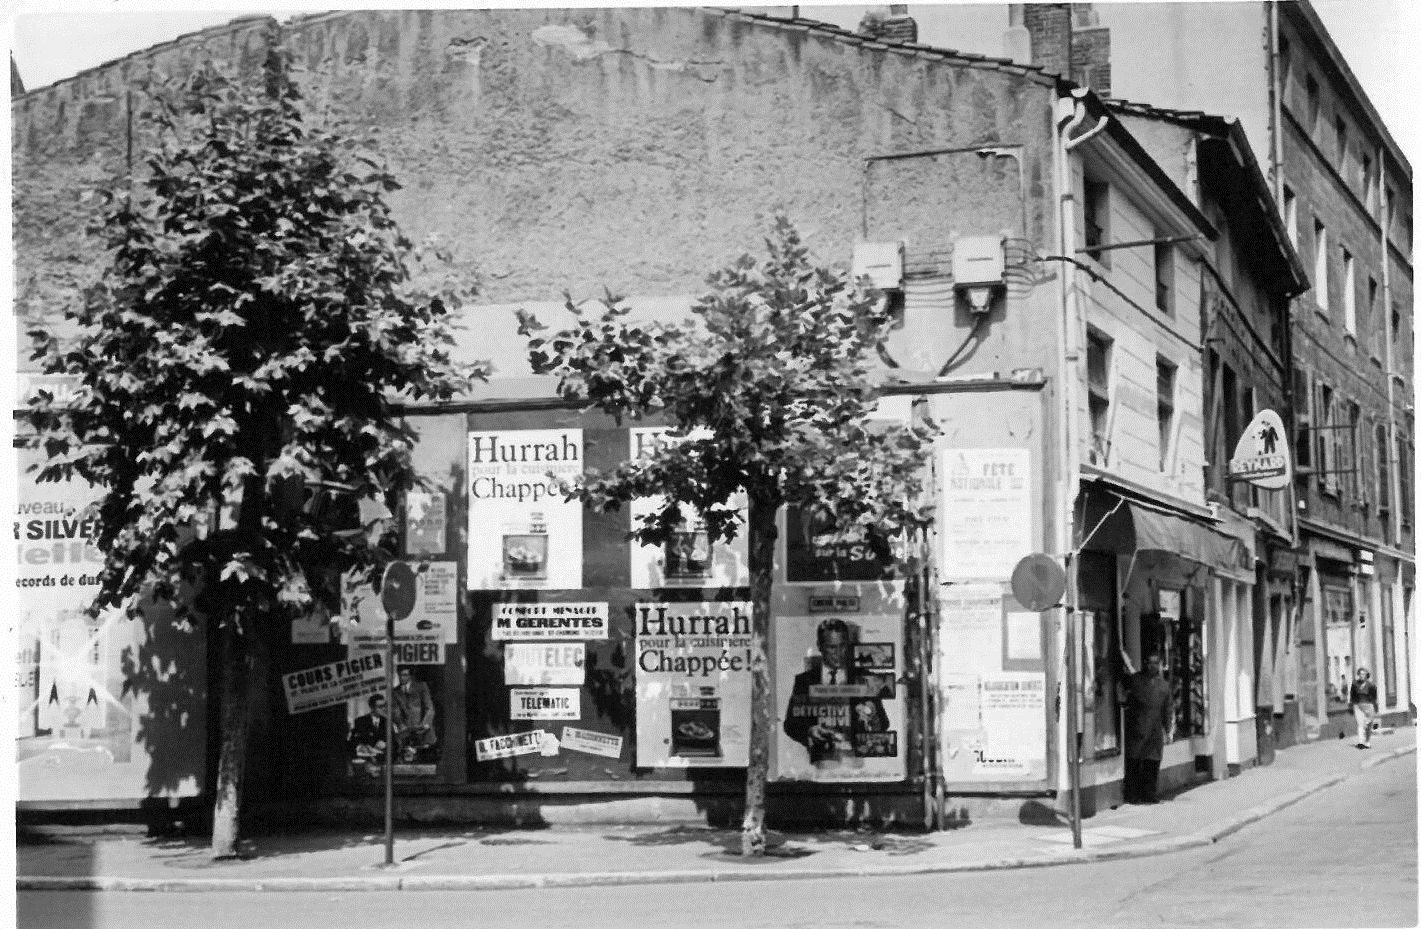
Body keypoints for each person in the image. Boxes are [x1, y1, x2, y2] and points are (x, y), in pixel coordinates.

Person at [783, 618, 889, 765]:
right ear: (820, 646)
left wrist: (872, 720)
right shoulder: (804, 681)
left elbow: (883, 724)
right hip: (821, 765)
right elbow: (790, 724)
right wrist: (810, 731)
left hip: (855, 764)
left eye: (842, 646)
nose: (838, 653)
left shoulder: (864, 678)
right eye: (832, 647)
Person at [1123, 653, 1174, 804]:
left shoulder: (1164, 686)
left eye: (1156, 663)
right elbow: (1124, 694)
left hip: (1155, 732)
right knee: (1135, 763)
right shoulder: (1136, 680)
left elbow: (1168, 709)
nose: (1153, 666)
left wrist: (1168, 730)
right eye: (1150, 663)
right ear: (1145, 663)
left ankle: (1149, 794)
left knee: (1152, 764)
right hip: (1137, 729)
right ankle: (1133, 795)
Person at [391, 666, 437, 762]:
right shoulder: (395, 691)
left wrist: (424, 724)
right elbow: (395, 712)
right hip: (406, 733)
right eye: (400, 675)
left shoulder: (421, 686)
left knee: (425, 759)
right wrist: (400, 725)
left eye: (405, 675)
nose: (401, 678)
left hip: (423, 731)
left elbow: (430, 708)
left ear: (410, 676)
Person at [347, 694, 388, 763]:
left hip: (383, 760)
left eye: (384, 706)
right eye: (380, 706)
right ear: (372, 707)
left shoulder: (388, 722)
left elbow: (395, 742)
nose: (384, 709)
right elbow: (353, 741)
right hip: (365, 761)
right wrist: (361, 747)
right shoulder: (360, 721)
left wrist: (386, 744)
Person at [1349, 667, 1379, 749]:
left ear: (1366, 675)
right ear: (1358, 675)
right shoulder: (1355, 684)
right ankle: (1360, 742)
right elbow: (1352, 696)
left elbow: (1374, 697)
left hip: (1368, 706)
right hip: (1358, 706)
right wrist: (1352, 705)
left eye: (1364, 674)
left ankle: (1367, 741)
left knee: (1368, 724)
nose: (1362, 676)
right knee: (1360, 723)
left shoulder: (1371, 685)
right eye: (1360, 674)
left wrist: (1374, 706)